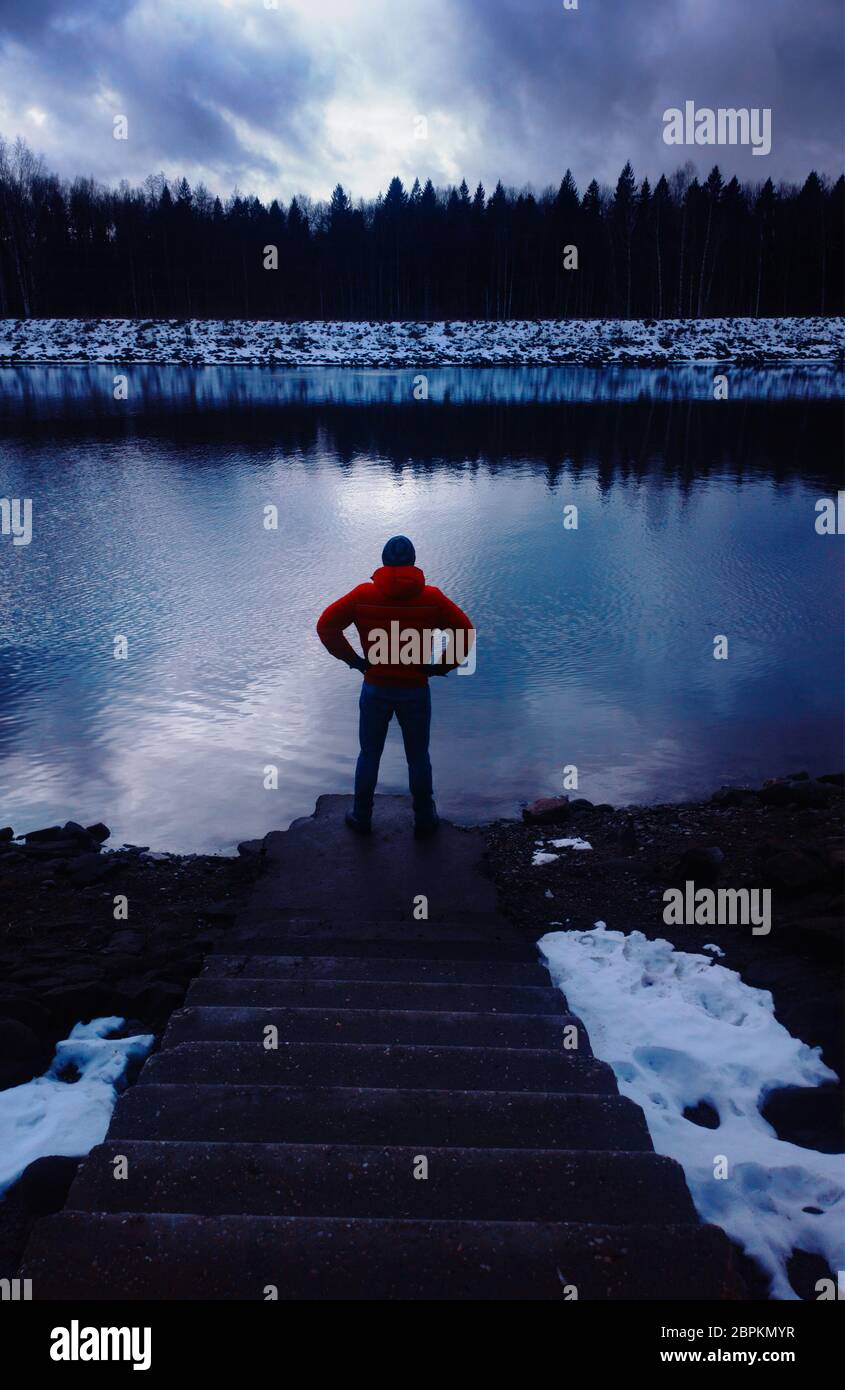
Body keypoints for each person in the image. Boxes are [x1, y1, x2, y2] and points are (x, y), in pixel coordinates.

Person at [316, 536, 474, 837]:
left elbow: (326, 626)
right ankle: (425, 819)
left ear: (384, 561)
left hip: (375, 687)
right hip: (415, 688)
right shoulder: (432, 597)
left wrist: (355, 661)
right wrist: (441, 666)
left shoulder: (363, 595)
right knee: (418, 756)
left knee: (369, 754)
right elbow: (465, 631)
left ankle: (362, 816)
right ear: (413, 562)